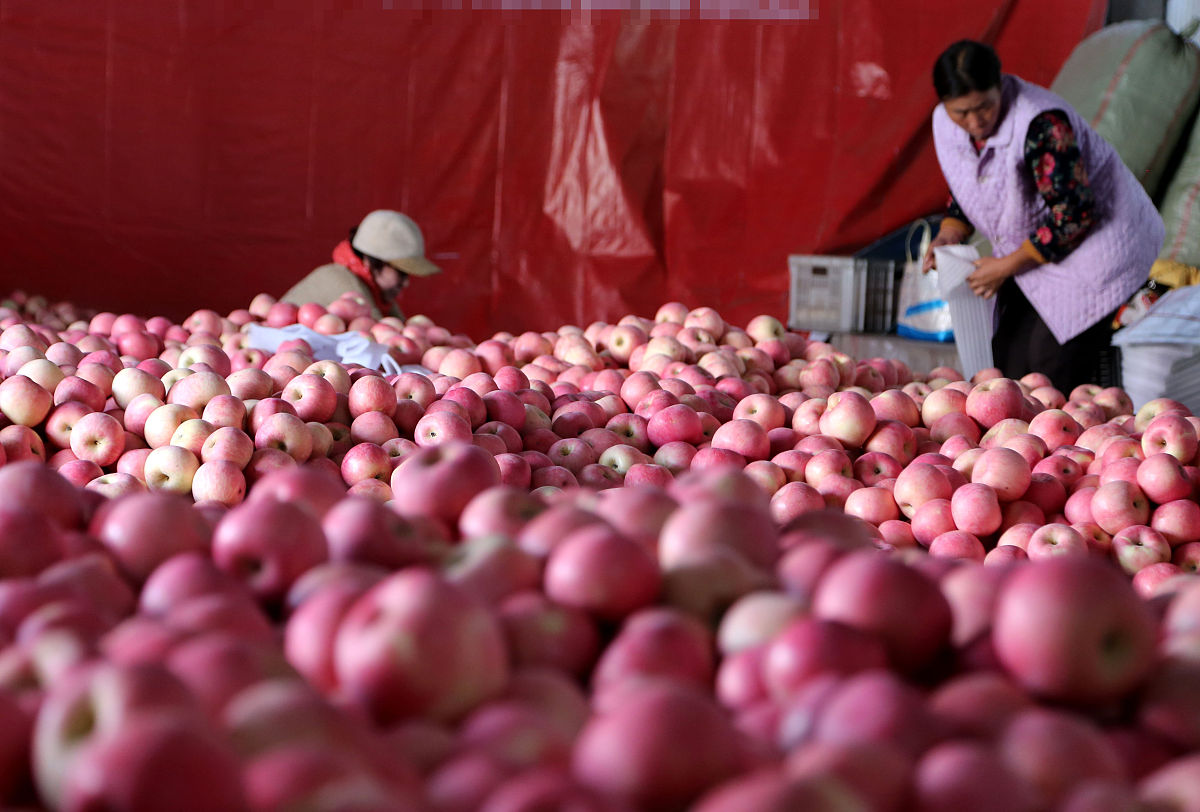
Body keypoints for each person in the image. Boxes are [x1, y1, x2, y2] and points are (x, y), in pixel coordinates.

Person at [922, 40, 1164, 394]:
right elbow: (967, 183)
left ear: (1000, 85)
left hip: (1096, 243)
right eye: (962, 112)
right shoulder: (946, 124)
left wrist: (1006, 266)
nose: (974, 121)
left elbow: (1075, 213)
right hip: (1036, 244)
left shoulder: (1042, 123)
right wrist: (950, 233)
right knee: (1007, 367)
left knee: (1049, 368)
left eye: (984, 106)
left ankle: (1072, 427)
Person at [281, 210, 441, 320]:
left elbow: (401, 328)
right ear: (371, 261)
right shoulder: (342, 281)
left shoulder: (375, 291)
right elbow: (382, 337)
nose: (406, 283)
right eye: (401, 272)